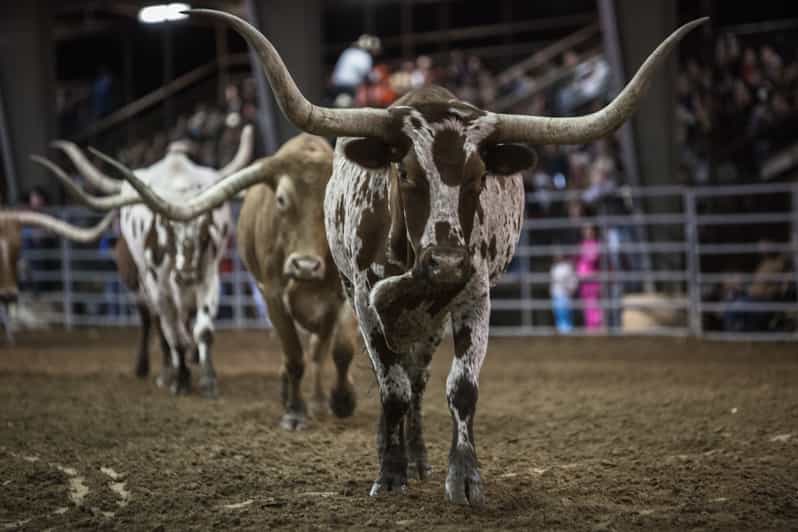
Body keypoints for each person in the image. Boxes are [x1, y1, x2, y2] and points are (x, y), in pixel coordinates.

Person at [330, 34, 381, 102]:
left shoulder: (348, 52)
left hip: (336, 85)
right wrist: (377, 78)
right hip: (350, 87)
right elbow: (367, 73)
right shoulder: (365, 56)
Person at [577, 224, 603, 331]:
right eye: (585, 230)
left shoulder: (597, 244)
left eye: (589, 230)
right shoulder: (581, 245)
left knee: (596, 310)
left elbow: (596, 260)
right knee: (588, 310)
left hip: (594, 282)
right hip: (584, 285)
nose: (587, 232)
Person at [550, 252, 577, 333]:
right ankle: (560, 329)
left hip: (565, 293)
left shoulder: (567, 267)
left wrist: (572, 288)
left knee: (566, 312)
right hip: (556, 293)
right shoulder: (554, 268)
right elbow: (552, 281)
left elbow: (573, 279)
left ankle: (568, 329)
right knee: (558, 312)